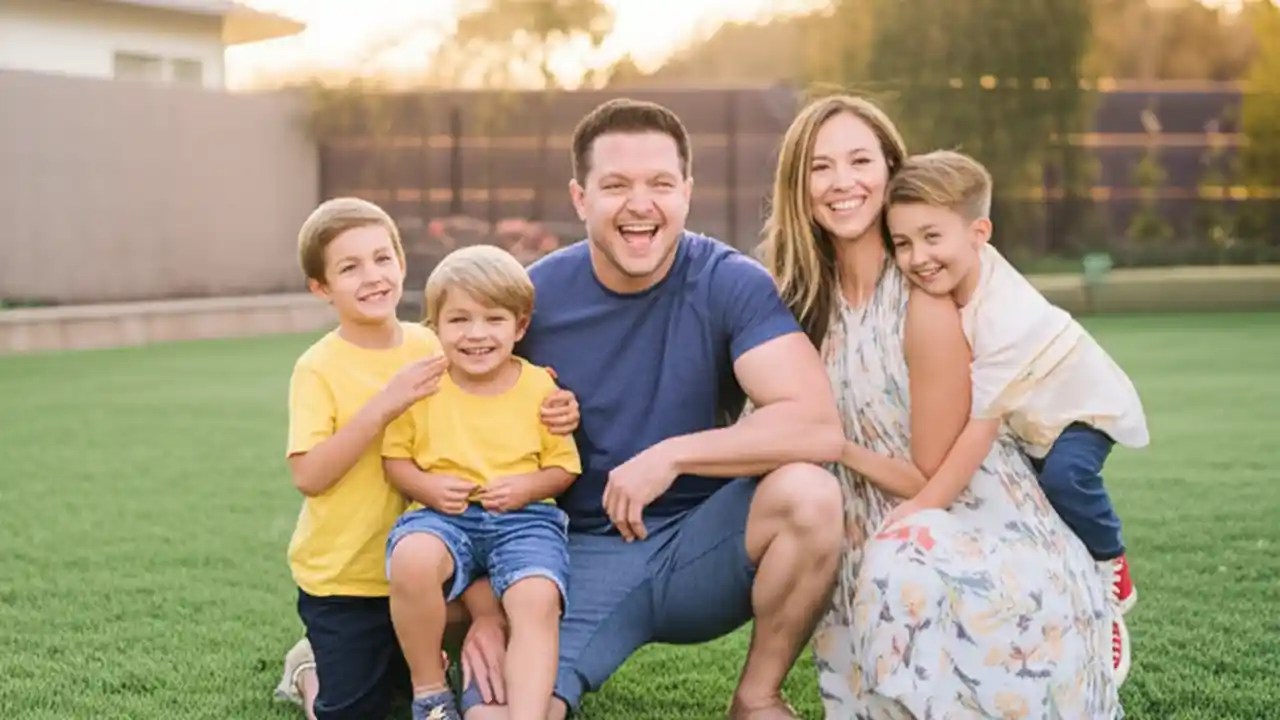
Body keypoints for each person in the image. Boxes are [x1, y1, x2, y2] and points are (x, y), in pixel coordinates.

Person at [459, 97, 848, 720]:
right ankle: (338, 656)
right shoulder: (529, 301)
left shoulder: (731, 281)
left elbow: (816, 424)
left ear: (687, 192)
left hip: (702, 550)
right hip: (568, 558)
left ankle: (757, 696)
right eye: (616, 185)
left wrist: (672, 455)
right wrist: (484, 604)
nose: (641, 204)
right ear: (580, 198)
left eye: (660, 184)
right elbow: (453, 442)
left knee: (811, 494)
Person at [759, 95, 1121, 718]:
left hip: (961, 516)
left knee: (907, 576)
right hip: (858, 527)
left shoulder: (924, 297)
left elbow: (933, 478)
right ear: (799, 184)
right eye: (821, 167)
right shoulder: (799, 304)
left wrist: (833, 446)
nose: (842, 182)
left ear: (890, 171)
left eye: (859, 161)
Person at [275, 198, 578, 720]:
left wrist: (555, 403)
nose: (372, 277)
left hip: (437, 568)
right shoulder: (318, 368)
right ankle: (309, 670)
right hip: (348, 579)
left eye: (382, 258)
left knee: (457, 615)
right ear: (321, 288)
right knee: (354, 709)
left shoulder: (432, 344)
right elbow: (309, 475)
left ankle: (431, 663)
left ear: (401, 262)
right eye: (350, 268)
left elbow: (497, 382)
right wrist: (384, 404)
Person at [883, 149, 1149, 683]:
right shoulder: (962, 268)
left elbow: (980, 429)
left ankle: (1109, 575)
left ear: (980, 233)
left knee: (1065, 478)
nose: (917, 257)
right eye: (903, 243)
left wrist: (920, 505)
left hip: (1078, 407)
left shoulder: (1005, 318)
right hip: (1029, 415)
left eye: (933, 238)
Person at [381, 245, 581, 720]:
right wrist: (427, 489)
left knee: (536, 596)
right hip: (441, 516)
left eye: (494, 320)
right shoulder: (422, 386)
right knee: (411, 558)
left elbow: (564, 469)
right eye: (459, 320)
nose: (476, 335)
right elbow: (395, 459)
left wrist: (526, 488)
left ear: (520, 326)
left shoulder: (540, 388)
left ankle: (527, 712)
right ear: (435, 327)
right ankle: (430, 692)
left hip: (524, 519)